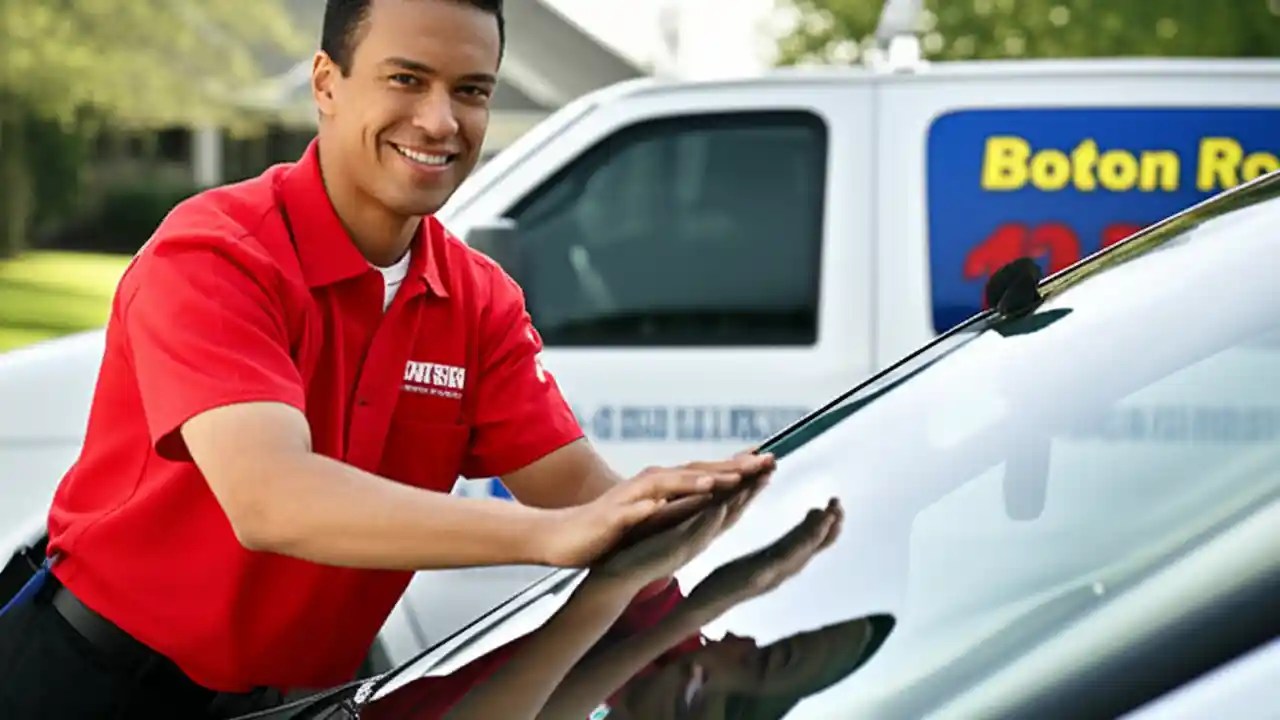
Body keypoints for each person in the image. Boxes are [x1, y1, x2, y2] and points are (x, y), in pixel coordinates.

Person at [0, 0, 773, 717]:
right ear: (326, 83)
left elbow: (589, 502)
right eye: (407, 79)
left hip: (300, 704)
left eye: (471, 91)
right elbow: (271, 499)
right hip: (84, 684)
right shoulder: (216, 254)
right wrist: (552, 534)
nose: (440, 121)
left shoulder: (479, 303)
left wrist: (707, 643)